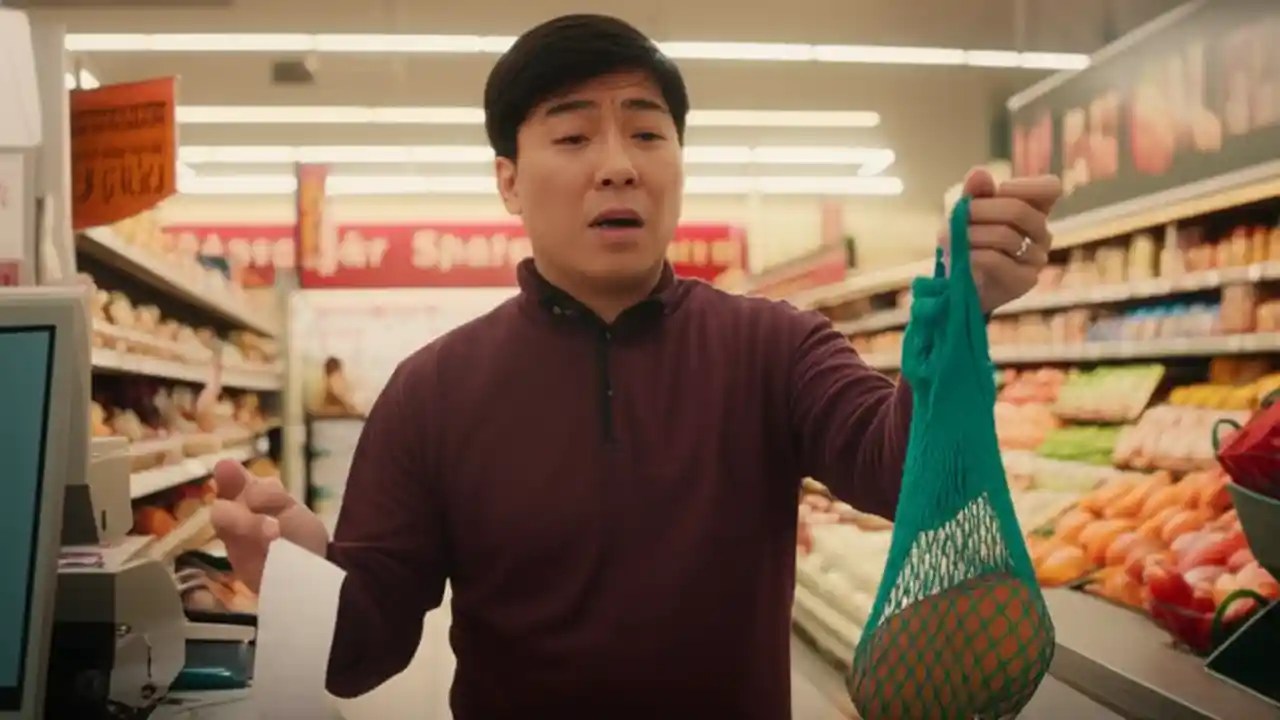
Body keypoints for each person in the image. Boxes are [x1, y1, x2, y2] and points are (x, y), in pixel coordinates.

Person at [211, 13, 1061, 719]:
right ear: (509, 181)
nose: (618, 163)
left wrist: (959, 313)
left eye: (648, 132)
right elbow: (362, 653)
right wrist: (303, 576)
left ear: (678, 167)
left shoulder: (776, 348)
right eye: (573, 134)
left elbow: (897, 469)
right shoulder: (433, 390)